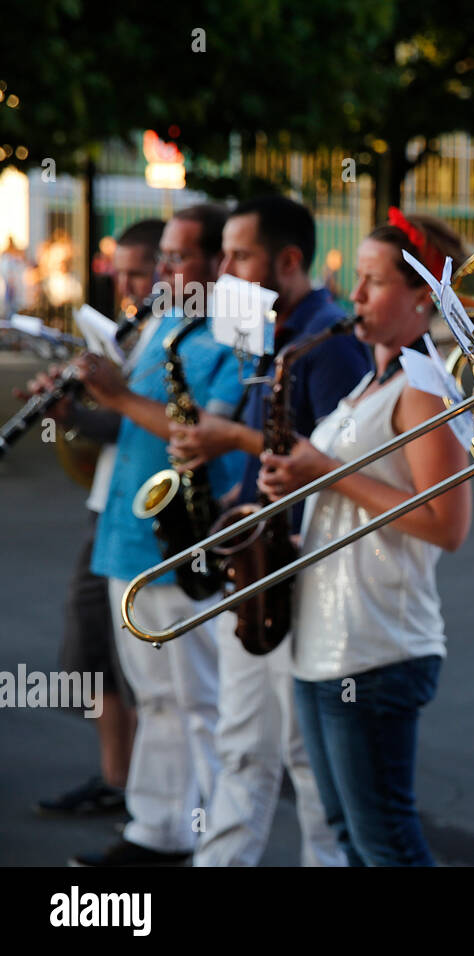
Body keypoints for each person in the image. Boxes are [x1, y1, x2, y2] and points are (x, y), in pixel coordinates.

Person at [257, 211, 472, 866]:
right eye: (356, 280)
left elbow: (447, 525)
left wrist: (323, 471)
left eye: (373, 282)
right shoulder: (368, 382)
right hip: (325, 640)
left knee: (385, 843)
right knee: (350, 836)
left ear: (420, 297)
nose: (353, 297)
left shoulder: (424, 386)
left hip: (377, 645)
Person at [165, 195, 371, 867]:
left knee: (295, 752)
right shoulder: (263, 325)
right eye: (221, 252)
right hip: (263, 561)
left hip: (302, 568)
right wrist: (228, 494)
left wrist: (230, 436)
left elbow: (334, 460)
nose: (222, 267)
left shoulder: (329, 342)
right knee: (250, 741)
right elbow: (273, 451)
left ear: (287, 261)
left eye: (239, 254)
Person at [72, 204, 245, 865]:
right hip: (130, 532)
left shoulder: (236, 328)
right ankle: (156, 828)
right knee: (157, 696)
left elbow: (202, 431)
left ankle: (198, 834)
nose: (163, 270)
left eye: (176, 258)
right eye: (163, 258)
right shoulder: (165, 319)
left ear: (214, 264)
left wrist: (116, 397)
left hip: (184, 540)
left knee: (198, 700)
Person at [29, 219, 163, 819]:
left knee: (139, 665)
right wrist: (66, 407)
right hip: (107, 501)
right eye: (123, 270)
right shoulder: (137, 333)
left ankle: (143, 791)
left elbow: (154, 427)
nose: (127, 283)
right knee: (92, 651)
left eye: (142, 270)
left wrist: (94, 405)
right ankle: (123, 778)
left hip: (141, 509)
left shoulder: (174, 335)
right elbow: (119, 423)